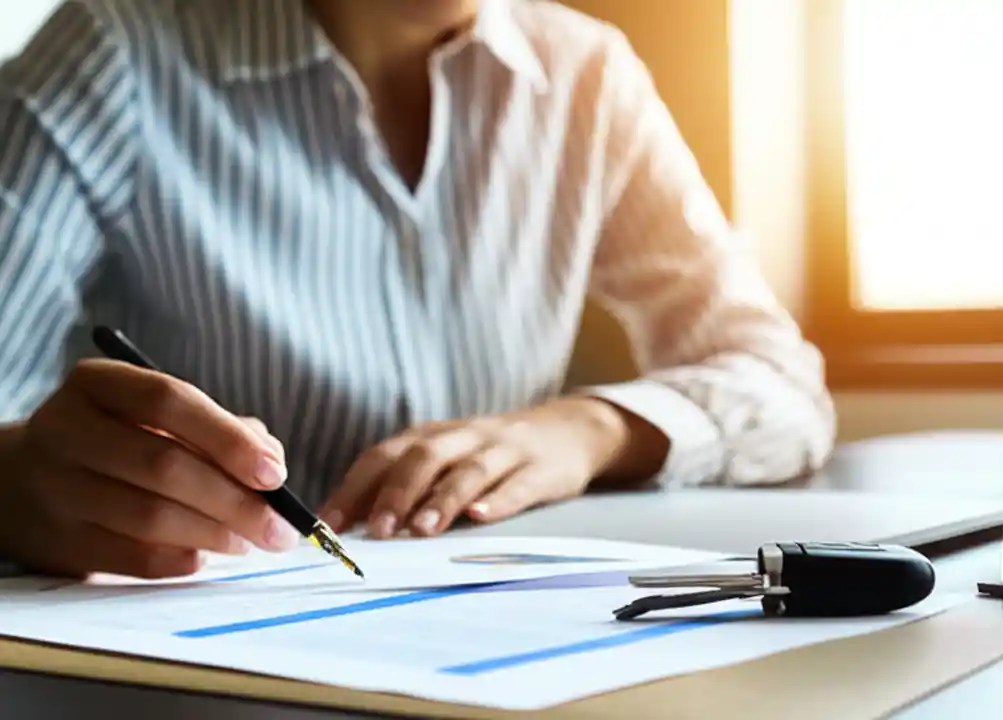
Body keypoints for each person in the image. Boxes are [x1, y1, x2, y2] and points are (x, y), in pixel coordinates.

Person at [0, 0, 834, 579]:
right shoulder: (110, 56)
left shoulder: (585, 75)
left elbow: (782, 383)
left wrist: (589, 430)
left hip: (498, 650)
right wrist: (19, 484)